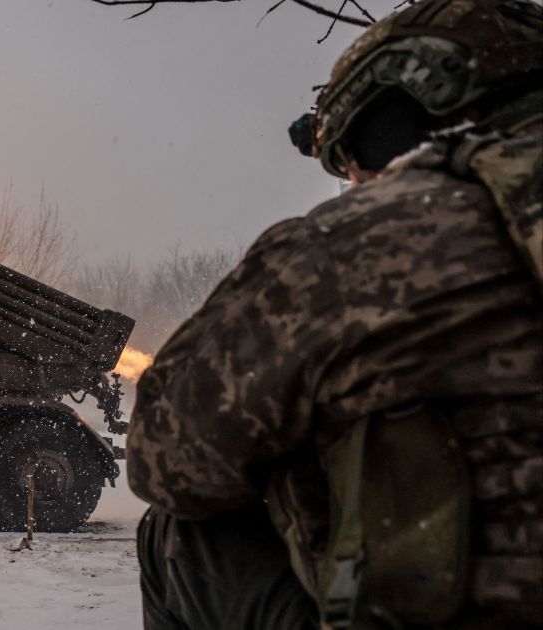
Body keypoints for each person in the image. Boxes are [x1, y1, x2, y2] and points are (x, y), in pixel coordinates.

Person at [126, 0, 543, 627]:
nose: (354, 185)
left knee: (181, 535)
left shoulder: (357, 244)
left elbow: (167, 459)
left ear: (398, 119)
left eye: (351, 164)